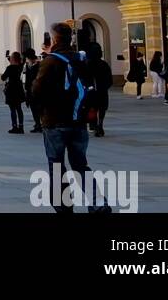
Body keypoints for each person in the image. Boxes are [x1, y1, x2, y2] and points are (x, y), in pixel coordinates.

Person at [32, 22, 111, 214]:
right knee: (80, 164)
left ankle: (64, 205)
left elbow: (36, 91)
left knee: (57, 164)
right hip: (78, 121)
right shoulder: (80, 60)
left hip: (54, 121)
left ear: (52, 40)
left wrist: (41, 111)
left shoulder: (50, 62)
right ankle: (98, 202)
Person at [87, 44, 113, 137]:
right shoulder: (104, 64)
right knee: (102, 109)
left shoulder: (88, 64)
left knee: (92, 108)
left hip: (91, 91)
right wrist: (105, 87)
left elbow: (84, 78)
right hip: (102, 91)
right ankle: (100, 125)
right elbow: (110, 79)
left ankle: (93, 125)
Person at [2, 52, 26, 134]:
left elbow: (3, 77)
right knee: (19, 108)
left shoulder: (10, 68)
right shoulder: (20, 66)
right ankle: (21, 126)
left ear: (12, 59)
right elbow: (21, 61)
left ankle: (14, 126)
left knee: (12, 109)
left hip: (11, 89)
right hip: (19, 88)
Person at [23, 49, 42, 133]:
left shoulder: (38, 65)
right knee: (33, 108)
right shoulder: (28, 65)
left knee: (38, 107)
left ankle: (39, 124)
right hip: (30, 89)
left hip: (37, 89)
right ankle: (37, 123)